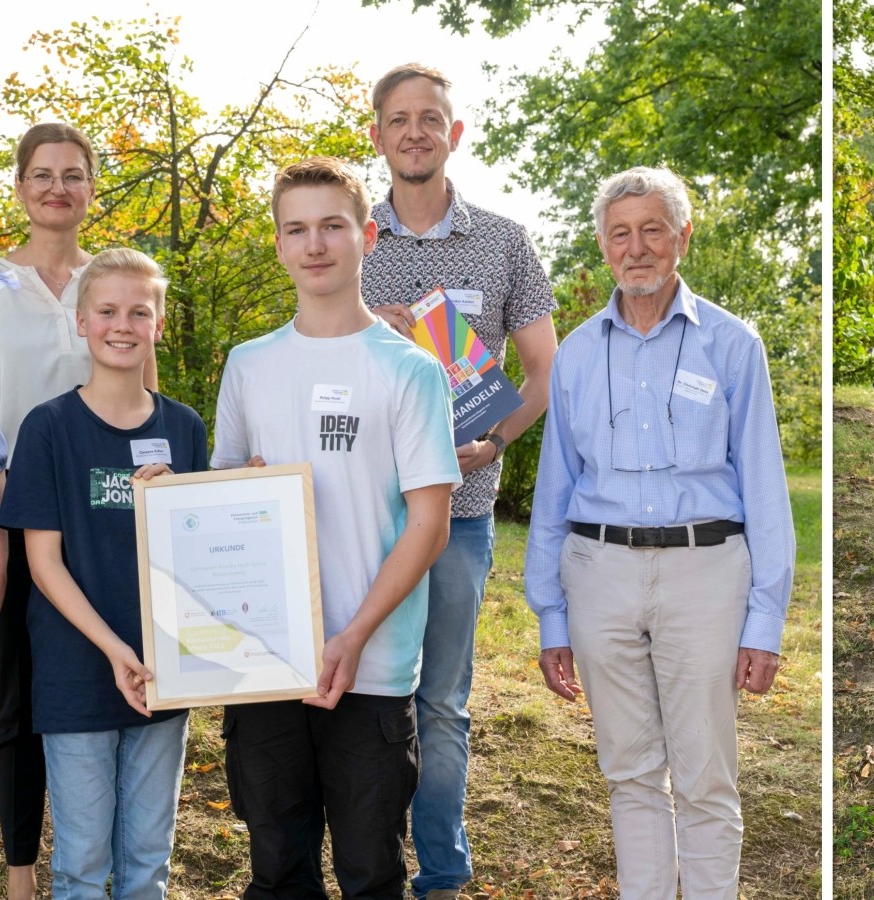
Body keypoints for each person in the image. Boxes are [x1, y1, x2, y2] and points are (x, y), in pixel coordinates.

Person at [526, 166, 795, 898]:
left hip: (706, 574)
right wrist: (551, 615)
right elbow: (554, 490)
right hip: (598, 574)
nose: (636, 247)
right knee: (629, 772)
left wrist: (765, 620)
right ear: (602, 245)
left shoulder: (733, 345)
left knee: (706, 776)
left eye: (652, 229)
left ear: (683, 236)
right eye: (620, 233)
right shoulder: (577, 353)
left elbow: (766, 487)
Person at [213, 157, 461, 898]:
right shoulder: (248, 365)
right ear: (279, 244)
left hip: (372, 663)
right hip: (265, 661)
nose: (314, 244)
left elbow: (430, 525)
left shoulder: (411, 370)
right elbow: (222, 507)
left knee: (371, 873)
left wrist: (352, 638)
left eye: (331, 226)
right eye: (296, 229)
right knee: (276, 871)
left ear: (368, 236)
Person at [357, 62, 558, 900]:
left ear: (454, 133)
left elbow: (545, 372)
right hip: (361, 512)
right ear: (377, 135)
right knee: (368, 697)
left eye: (430, 118)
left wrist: (494, 441)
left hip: (461, 515)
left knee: (441, 700)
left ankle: (440, 873)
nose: (415, 132)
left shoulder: (506, 241)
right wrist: (366, 329)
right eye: (399, 119)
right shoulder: (348, 236)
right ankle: (371, 867)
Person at [0, 248, 205, 899]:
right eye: (107, 311)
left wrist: (187, 503)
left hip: (164, 676)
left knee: (147, 863)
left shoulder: (185, 429)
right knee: (82, 867)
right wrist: (115, 651)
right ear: (82, 322)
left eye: (139, 312)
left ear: (159, 325)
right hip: (77, 674)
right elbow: (43, 563)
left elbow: (204, 558)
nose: (123, 325)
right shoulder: (47, 427)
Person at [0, 122, 154, 900]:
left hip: (96, 527)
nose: (57, 187)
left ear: (93, 188)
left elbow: (146, 403)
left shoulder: (115, 284)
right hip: (7, 515)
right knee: (14, 698)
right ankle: (22, 867)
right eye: (42, 174)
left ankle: (101, 859)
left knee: (86, 685)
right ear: (19, 185)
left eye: (73, 175)